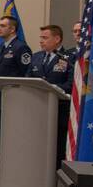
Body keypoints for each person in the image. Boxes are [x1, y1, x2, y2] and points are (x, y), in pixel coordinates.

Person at [27, 24, 74, 168]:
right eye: (41, 37)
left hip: (59, 109)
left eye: (45, 38)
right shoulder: (36, 57)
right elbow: (27, 78)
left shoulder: (68, 58)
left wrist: (51, 88)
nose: (41, 41)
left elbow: (71, 84)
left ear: (57, 39)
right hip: (38, 108)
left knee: (57, 146)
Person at [0, 15, 32, 175]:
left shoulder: (20, 48)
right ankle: (4, 165)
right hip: (1, 97)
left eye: (2, 25)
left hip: (14, 99)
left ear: (12, 29)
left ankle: (13, 167)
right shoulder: (3, 47)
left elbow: (27, 74)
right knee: (1, 134)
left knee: (12, 135)